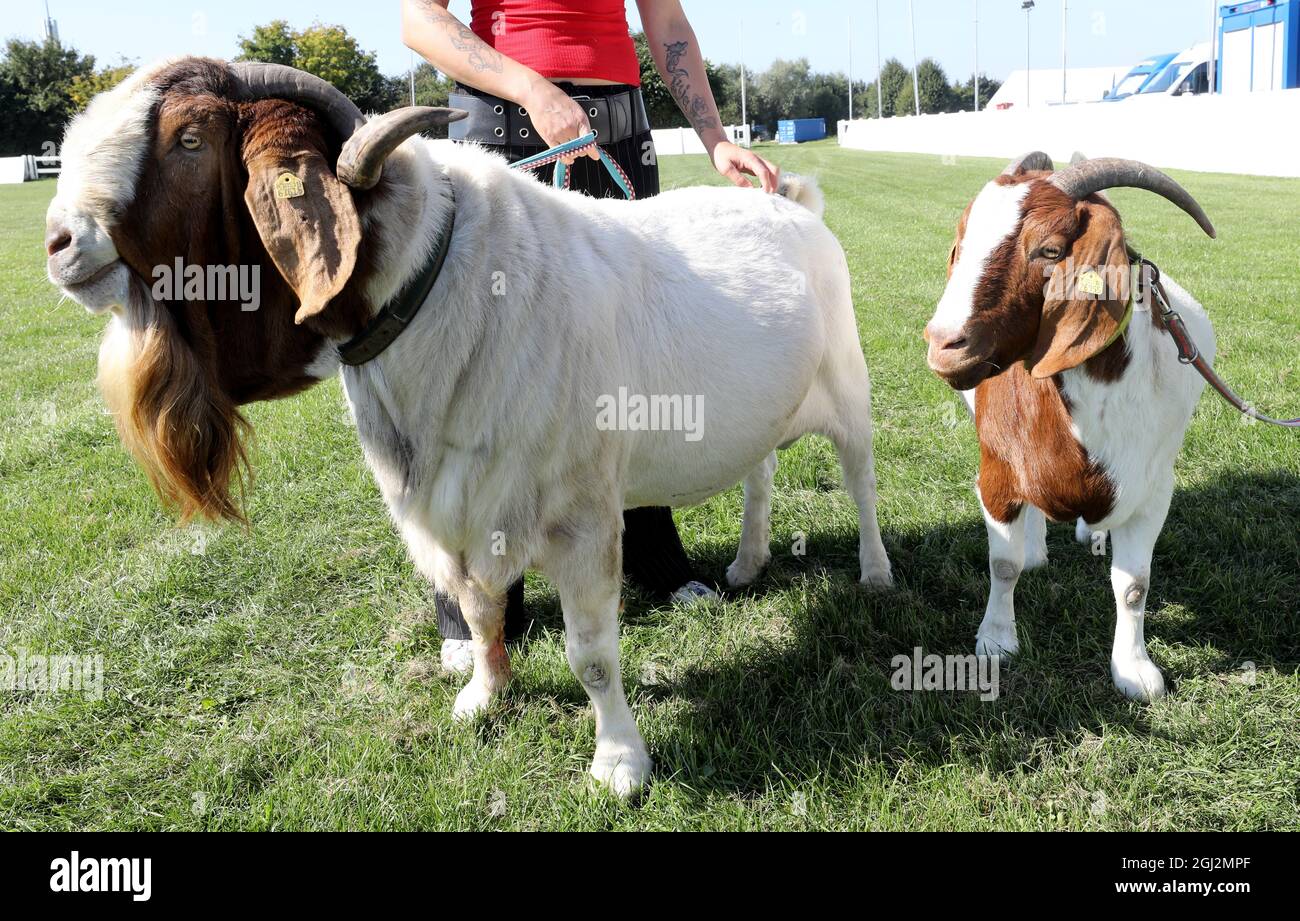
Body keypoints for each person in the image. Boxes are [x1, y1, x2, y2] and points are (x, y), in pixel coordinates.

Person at [400, 0, 781, 673]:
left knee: (629, 357)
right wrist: (530, 87)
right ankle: (480, 594)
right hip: (504, 136)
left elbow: (666, 25)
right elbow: (419, 21)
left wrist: (715, 135)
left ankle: (652, 553)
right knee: (487, 372)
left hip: (621, 139)